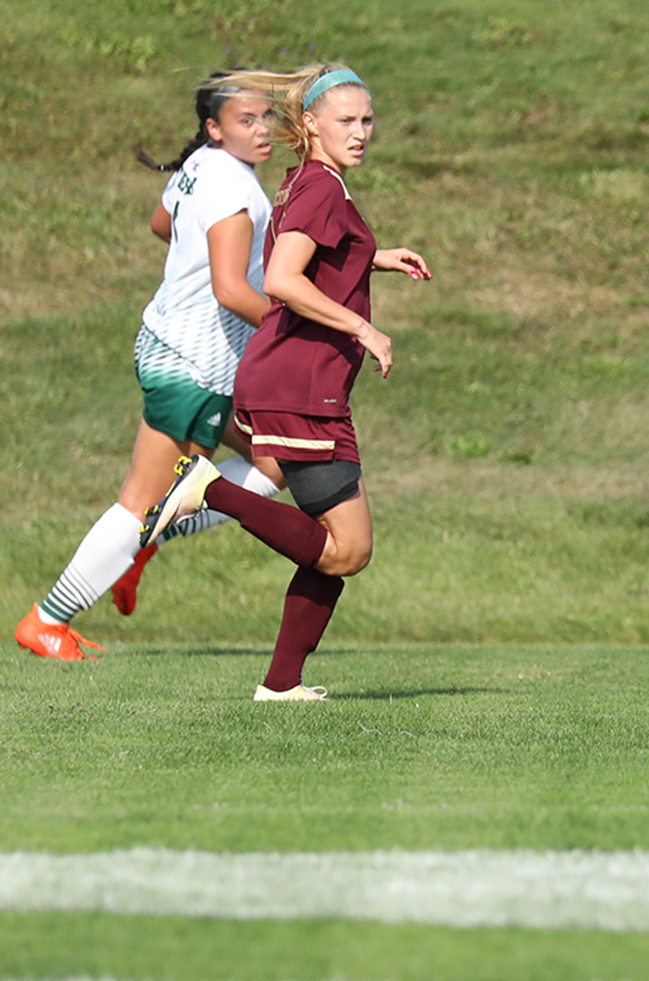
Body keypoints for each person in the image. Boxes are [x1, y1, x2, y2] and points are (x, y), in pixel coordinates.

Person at [141, 62, 432, 701]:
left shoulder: (310, 179)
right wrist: (362, 327)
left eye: (367, 120)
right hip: (300, 388)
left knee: (336, 546)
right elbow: (281, 279)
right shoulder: (322, 188)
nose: (360, 132)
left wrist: (372, 257)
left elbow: (310, 254)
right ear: (311, 123)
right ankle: (210, 489)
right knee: (349, 550)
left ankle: (282, 685)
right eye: (346, 120)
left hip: (301, 385)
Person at [15, 73, 287, 661]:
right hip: (195, 363)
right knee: (141, 503)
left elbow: (162, 224)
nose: (263, 129)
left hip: (179, 350)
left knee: (275, 460)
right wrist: (302, 330)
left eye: (266, 116)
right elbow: (231, 292)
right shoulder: (234, 188)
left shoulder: (203, 165)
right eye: (246, 120)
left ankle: (144, 543)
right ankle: (47, 621)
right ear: (215, 127)